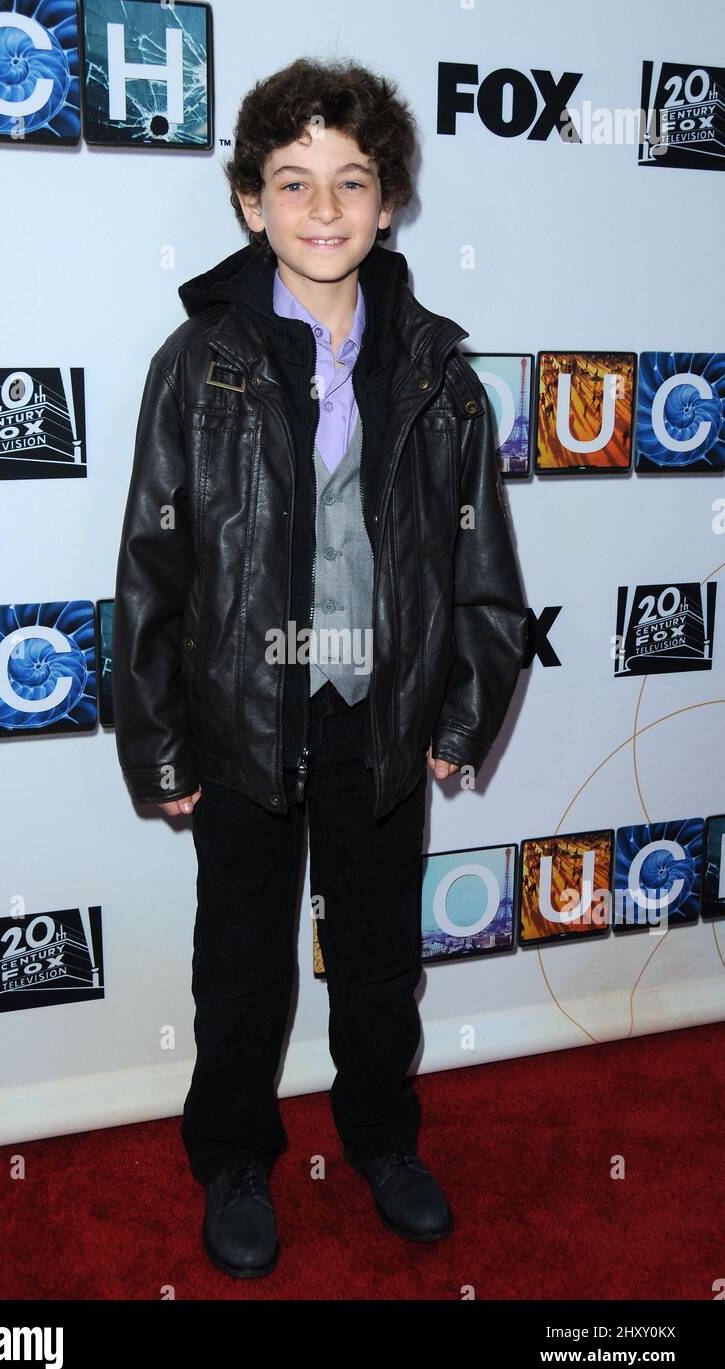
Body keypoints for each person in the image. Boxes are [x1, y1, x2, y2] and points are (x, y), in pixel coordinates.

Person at [112, 56, 527, 1280]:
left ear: (388, 197)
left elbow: (484, 573)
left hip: (378, 720)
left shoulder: (442, 373)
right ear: (251, 202)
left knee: (383, 956)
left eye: (353, 181)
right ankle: (237, 1156)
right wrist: (163, 746)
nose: (326, 208)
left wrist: (463, 713)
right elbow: (151, 566)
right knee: (240, 966)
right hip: (246, 718)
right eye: (295, 183)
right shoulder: (198, 364)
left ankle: (384, 1140)